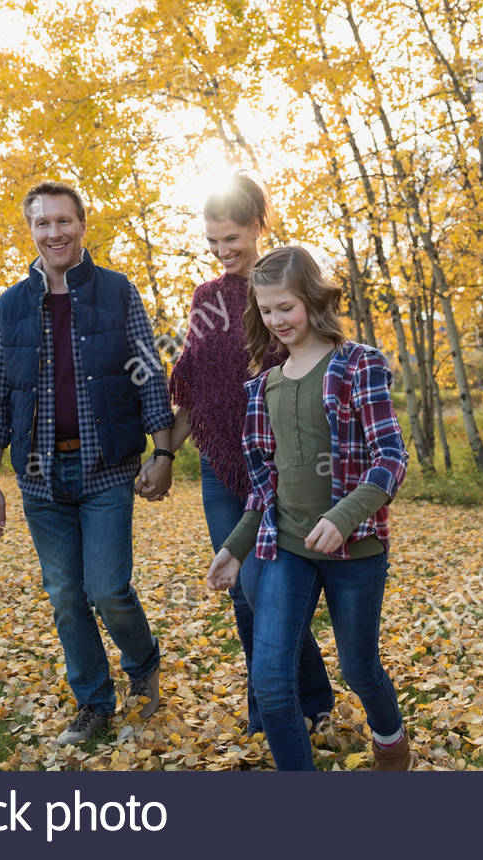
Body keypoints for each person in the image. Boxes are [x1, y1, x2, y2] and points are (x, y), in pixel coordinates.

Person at [0, 180, 175, 746]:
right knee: (66, 596)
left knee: (108, 588)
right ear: (31, 230)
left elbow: (146, 373)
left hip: (106, 470)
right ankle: (94, 703)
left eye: (64, 221)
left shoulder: (116, 292)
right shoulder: (12, 305)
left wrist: (162, 452)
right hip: (40, 478)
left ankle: (143, 662)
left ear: (82, 224)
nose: (54, 232)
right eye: (43, 223)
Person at [138, 173, 334, 736]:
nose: (224, 252)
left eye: (233, 239)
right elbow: (196, 386)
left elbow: (323, 368)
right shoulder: (207, 298)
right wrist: (164, 453)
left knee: (274, 592)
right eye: (213, 242)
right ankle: (277, 707)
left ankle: (297, 701)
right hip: (222, 469)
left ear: (258, 227)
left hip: (283, 468)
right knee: (245, 596)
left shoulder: (287, 289)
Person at [206, 246, 411, 771]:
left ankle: (391, 743)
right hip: (286, 549)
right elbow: (265, 487)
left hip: (356, 551)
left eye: (287, 308)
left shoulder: (358, 365)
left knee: (359, 667)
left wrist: (342, 518)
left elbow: (391, 459)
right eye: (267, 310)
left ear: (313, 301)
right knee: (272, 680)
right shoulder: (262, 389)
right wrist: (234, 548)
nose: (277, 321)